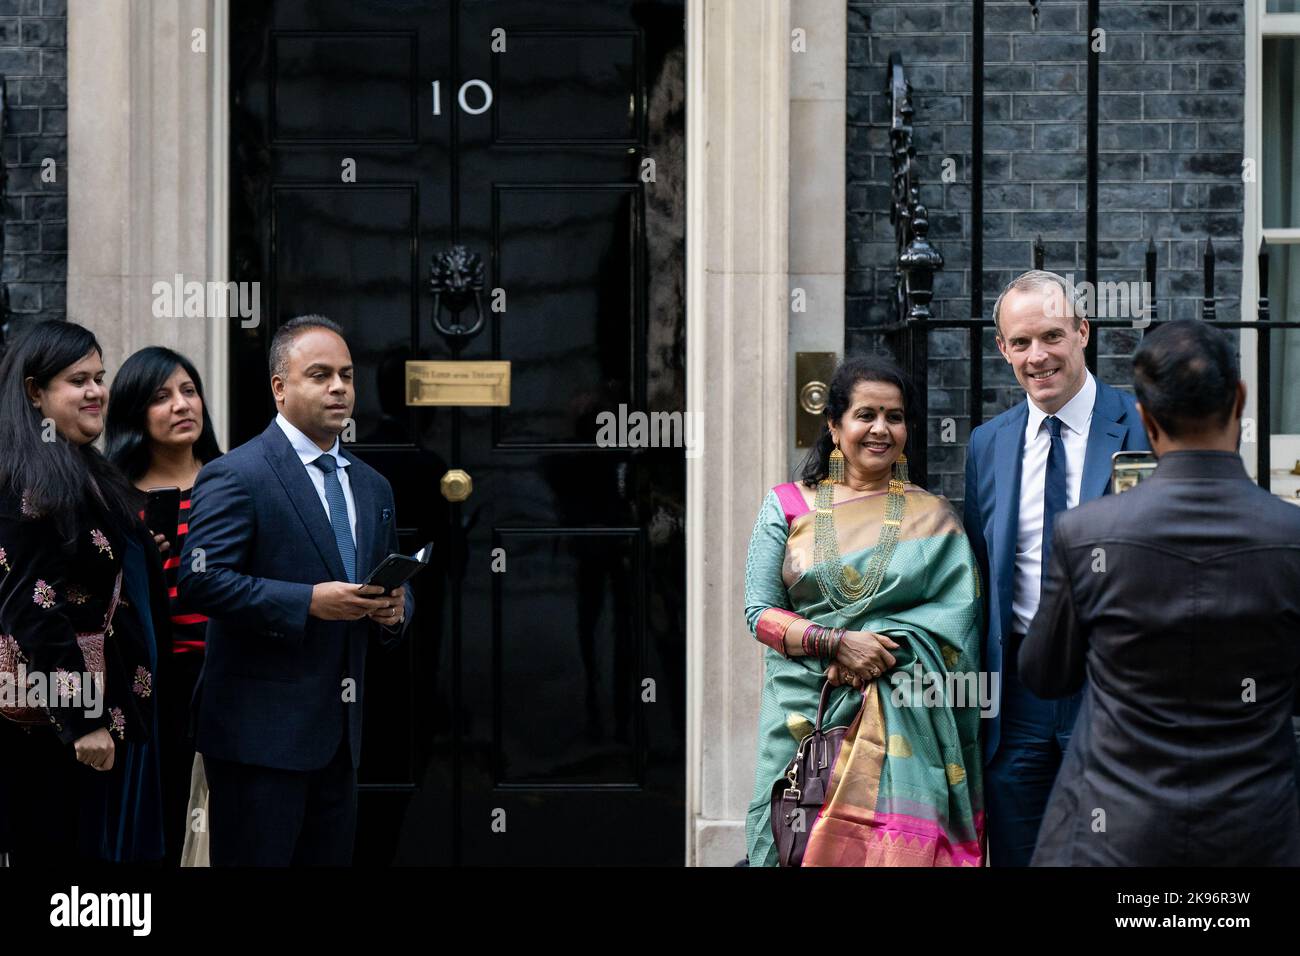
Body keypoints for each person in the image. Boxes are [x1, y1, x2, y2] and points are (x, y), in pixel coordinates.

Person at [1021, 319, 1300, 865]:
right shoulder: (1290, 539)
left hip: (1116, 831)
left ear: (1146, 419)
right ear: (1239, 399)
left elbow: (1045, 673)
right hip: (1254, 832)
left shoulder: (1085, 534)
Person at [177, 314, 413, 866]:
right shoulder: (237, 474)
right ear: (280, 388)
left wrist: (396, 609)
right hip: (258, 739)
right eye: (321, 375)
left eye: (348, 376)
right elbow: (200, 579)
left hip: (341, 738)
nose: (339, 388)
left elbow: (382, 578)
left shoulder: (372, 484)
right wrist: (307, 602)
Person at [744, 356, 985, 867]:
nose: (881, 429)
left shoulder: (934, 517)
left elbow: (958, 625)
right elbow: (759, 612)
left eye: (894, 417)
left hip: (908, 713)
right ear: (834, 426)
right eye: (866, 415)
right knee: (791, 839)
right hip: (804, 711)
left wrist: (877, 648)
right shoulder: (788, 505)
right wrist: (835, 643)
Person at [963, 270, 1150, 867]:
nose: (1037, 356)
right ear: (1003, 349)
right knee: (1020, 854)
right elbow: (979, 569)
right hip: (1017, 692)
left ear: (1082, 332)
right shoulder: (987, 444)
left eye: (1051, 336)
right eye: (1020, 343)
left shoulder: (1141, 426)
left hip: (1110, 684)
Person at [0, 320, 171, 863]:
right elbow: (29, 608)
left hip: (96, 711)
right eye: (78, 380)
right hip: (50, 729)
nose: (97, 391)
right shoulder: (26, 477)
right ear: (34, 391)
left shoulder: (82, 465)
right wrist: (83, 719)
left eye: (100, 377)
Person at [105, 346, 223, 866]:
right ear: (135, 413)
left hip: (223, 673)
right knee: (161, 816)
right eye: (161, 396)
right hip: (146, 682)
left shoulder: (236, 482)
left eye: (189, 390)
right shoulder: (109, 497)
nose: (181, 405)